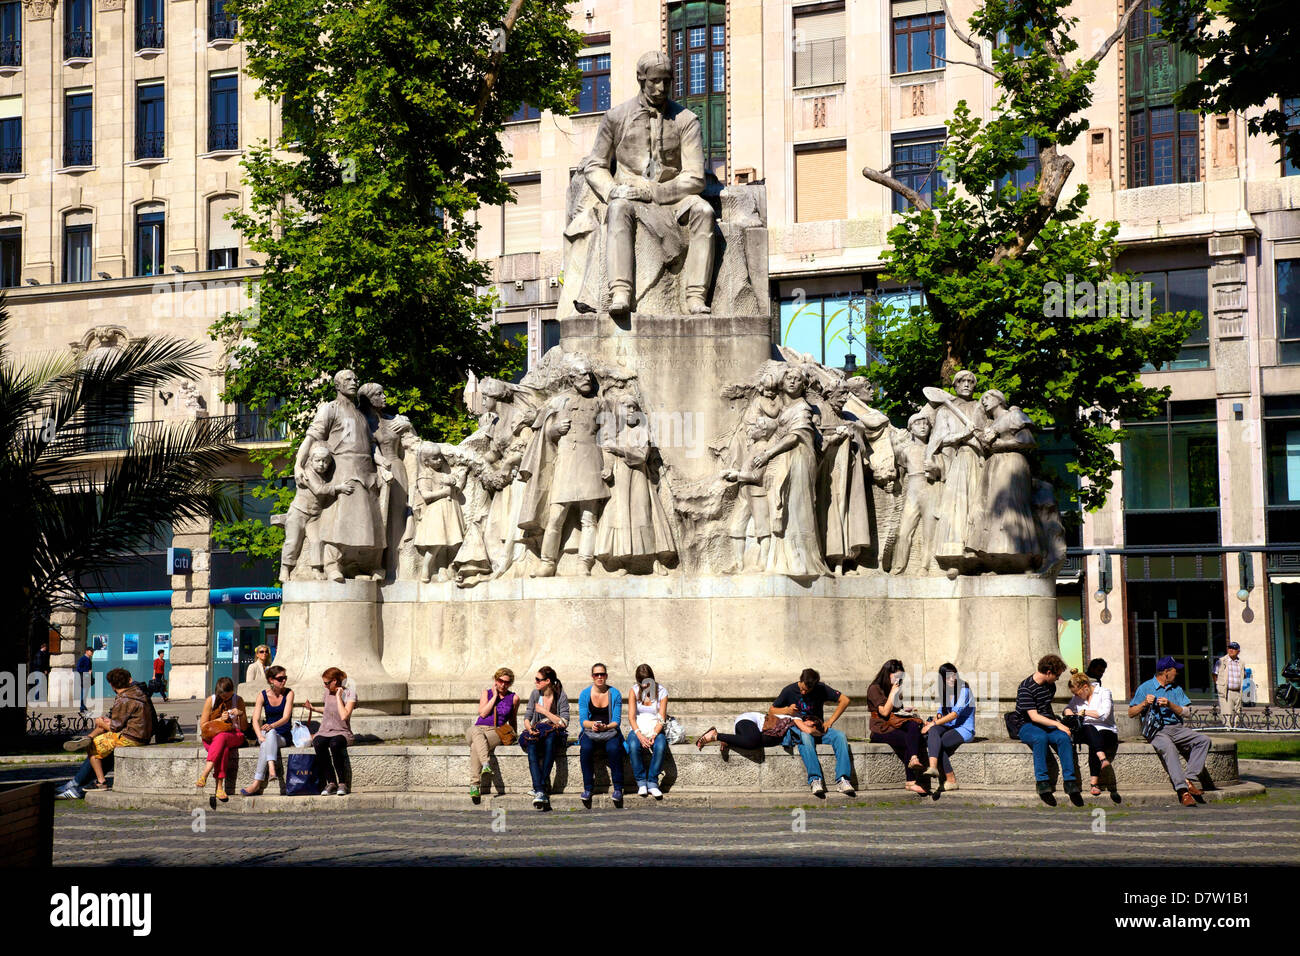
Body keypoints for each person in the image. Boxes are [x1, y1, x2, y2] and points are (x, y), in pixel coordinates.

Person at [577, 50, 715, 318]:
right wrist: (612, 190)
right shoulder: (616, 117)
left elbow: (696, 176)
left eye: (666, 80)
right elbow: (596, 165)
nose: (661, 87)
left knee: (704, 212)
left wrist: (654, 191)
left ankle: (696, 295)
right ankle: (620, 291)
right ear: (641, 79)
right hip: (629, 196)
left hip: (674, 195)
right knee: (618, 209)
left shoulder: (687, 120)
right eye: (654, 81)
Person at [56, 668, 153, 799]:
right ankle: (88, 737)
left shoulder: (124, 699)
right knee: (102, 729)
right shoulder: (138, 693)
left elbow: (115, 727)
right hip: (141, 734)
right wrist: (106, 722)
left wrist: (102, 722)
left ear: (111, 685)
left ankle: (101, 782)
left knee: (93, 746)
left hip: (131, 738)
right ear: (129, 680)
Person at [1128, 656, 1212, 807]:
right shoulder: (1145, 687)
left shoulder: (1176, 689)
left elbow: (1187, 712)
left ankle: (1189, 778)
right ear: (1166, 672)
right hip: (1157, 730)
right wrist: (1144, 703)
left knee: (1204, 740)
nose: (1177, 673)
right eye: (1175, 670)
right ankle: (1183, 791)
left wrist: (1170, 705)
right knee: (1169, 748)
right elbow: (1131, 712)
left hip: (1177, 728)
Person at [770, 667, 854, 796]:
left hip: (819, 729)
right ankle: (815, 779)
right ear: (801, 680)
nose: (803, 692)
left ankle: (843, 780)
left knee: (840, 736)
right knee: (805, 736)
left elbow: (845, 700)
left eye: (807, 690)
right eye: (802, 688)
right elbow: (772, 710)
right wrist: (787, 710)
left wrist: (830, 721)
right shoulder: (789, 690)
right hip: (802, 731)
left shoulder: (821, 688)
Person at [1012, 654, 1082, 803]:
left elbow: (1045, 708)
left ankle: (1070, 782)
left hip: (1046, 723)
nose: (1057, 679)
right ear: (1049, 672)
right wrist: (1057, 724)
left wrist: (1058, 724)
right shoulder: (1025, 687)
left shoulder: (1050, 686)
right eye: (1057, 675)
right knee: (1040, 738)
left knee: (1063, 738)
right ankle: (1042, 783)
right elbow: (1034, 716)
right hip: (1026, 725)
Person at [868, 659, 926, 795]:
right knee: (908, 740)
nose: (898, 680)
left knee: (913, 724)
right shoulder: (874, 689)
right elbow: (884, 712)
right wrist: (893, 693)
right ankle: (911, 782)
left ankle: (913, 759)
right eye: (896, 677)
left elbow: (895, 710)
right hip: (880, 729)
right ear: (887, 674)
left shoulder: (894, 688)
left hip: (894, 724)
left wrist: (906, 710)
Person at [240, 665, 296, 797]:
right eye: (280, 678)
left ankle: (256, 783)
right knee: (266, 739)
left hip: (283, 736)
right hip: (267, 735)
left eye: (285, 678)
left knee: (269, 735)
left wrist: (271, 726)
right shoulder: (263, 695)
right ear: (271, 680)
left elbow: (286, 717)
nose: (284, 681)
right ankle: (271, 769)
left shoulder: (289, 693)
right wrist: (259, 736)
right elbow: (255, 719)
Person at [920, 662, 975, 791]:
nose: (952, 679)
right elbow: (941, 710)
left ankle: (951, 780)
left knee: (940, 743)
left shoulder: (964, 689)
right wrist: (935, 719)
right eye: (948, 677)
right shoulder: (944, 690)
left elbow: (955, 714)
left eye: (954, 675)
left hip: (964, 729)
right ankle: (933, 768)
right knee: (933, 732)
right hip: (949, 726)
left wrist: (933, 723)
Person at [520, 666, 569, 808]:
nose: (535, 682)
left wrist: (544, 711)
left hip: (554, 734)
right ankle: (541, 788)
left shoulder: (561, 695)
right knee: (532, 745)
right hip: (536, 732)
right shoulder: (535, 694)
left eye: (538, 679)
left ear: (547, 681)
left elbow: (564, 722)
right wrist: (529, 728)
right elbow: (527, 717)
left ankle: (538, 789)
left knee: (550, 740)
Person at [466, 667, 519, 799]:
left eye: (506, 682)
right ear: (495, 680)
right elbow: (483, 713)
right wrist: (495, 696)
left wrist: (515, 735)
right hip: (478, 728)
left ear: (510, 683)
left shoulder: (513, 698)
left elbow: (513, 718)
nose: (503, 684)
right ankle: (485, 764)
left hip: (495, 731)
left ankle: (474, 785)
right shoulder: (487, 693)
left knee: (475, 747)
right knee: (475, 731)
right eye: (500, 681)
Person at [1065, 668, 1117, 796]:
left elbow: (1104, 715)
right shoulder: (1077, 697)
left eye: (1077, 693)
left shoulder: (1104, 693)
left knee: (1094, 737)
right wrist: (1069, 713)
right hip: (1086, 730)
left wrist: (1084, 712)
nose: (1076, 696)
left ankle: (1094, 783)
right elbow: (1068, 708)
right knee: (1089, 729)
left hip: (1106, 729)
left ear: (1085, 687)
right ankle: (1102, 758)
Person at [304, 666, 356, 795]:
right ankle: (331, 782)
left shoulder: (349, 693)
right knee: (318, 742)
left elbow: (344, 715)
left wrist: (339, 696)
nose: (325, 686)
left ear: (335, 681)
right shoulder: (327, 693)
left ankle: (342, 783)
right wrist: (313, 708)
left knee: (335, 744)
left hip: (342, 731)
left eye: (327, 683)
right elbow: (329, 710)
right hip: (325, 730)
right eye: (324, 683)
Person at [577, 663, 624, 805]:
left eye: (602, 674)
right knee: (586, 749)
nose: (599, 677)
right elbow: (583, 721)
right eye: (596, 674)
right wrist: (594, 725)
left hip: (610, 730)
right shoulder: (585, 694)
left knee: (614, 749)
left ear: (606, 676)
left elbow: (616, 721)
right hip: (590, 731)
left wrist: (605, 727)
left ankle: (617, 788)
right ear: (592, 677)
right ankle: (588, 788)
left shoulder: (614, 694)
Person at [197, 677, 247, 803]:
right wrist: (219, 720)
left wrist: (240, 714)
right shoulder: (211, 700)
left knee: (222, 737)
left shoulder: (238, 700)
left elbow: (245, 727)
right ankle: (219, 787)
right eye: (224, 697)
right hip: (211, 737)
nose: (226, 699)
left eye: (229, 697)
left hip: (234, 735)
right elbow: (203, 725)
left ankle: (205, 773)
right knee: (223, 748)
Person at [626, 663, 669, 798]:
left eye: (647, 683)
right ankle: (641, 782)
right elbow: (631, 717)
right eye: (642, 683)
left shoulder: (661, 691)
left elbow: (662, 717)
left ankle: (652, 782)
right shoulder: (634, 690)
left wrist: (655, 734)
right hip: (639, 728)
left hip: (655, 727)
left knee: (661, 746)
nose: (645, 686)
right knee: (632, 745)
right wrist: (639, 735)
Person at [695, 712, 819, 753]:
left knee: (757, 742)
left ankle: (728, 740)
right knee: (753, 741)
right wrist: (819, 731)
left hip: (749, 730)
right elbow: (807, 730)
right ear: (808, 719)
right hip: (747, 720)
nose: (812, 727)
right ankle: (715, 735)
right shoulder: (797, 719)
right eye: (813, 724)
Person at [1214, 642, 1245, 730]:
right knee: (1227, 714)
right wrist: (1218, 685)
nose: (1231, 650)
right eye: (1229, 648)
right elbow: (1214, 674)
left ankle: (1235, 730)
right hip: (1226, 692)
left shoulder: (1241, 663)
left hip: (1238, 692)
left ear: (1238, 651)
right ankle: (1228, 730)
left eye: (1233, 648)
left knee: (1237, 715)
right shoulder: (1221, 661)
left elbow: (1243, 676)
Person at [76, 647, 93, 714]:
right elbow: (78, 668)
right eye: (90, 651)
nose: (92, 652)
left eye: (92, 651)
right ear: (86, 651)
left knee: (85, 693)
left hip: (87, 678)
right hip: (83, 678)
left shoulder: (88, 659)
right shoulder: (83, 659)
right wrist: (87, 671)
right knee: (83, 692)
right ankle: (82, 707)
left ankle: (83, 706)